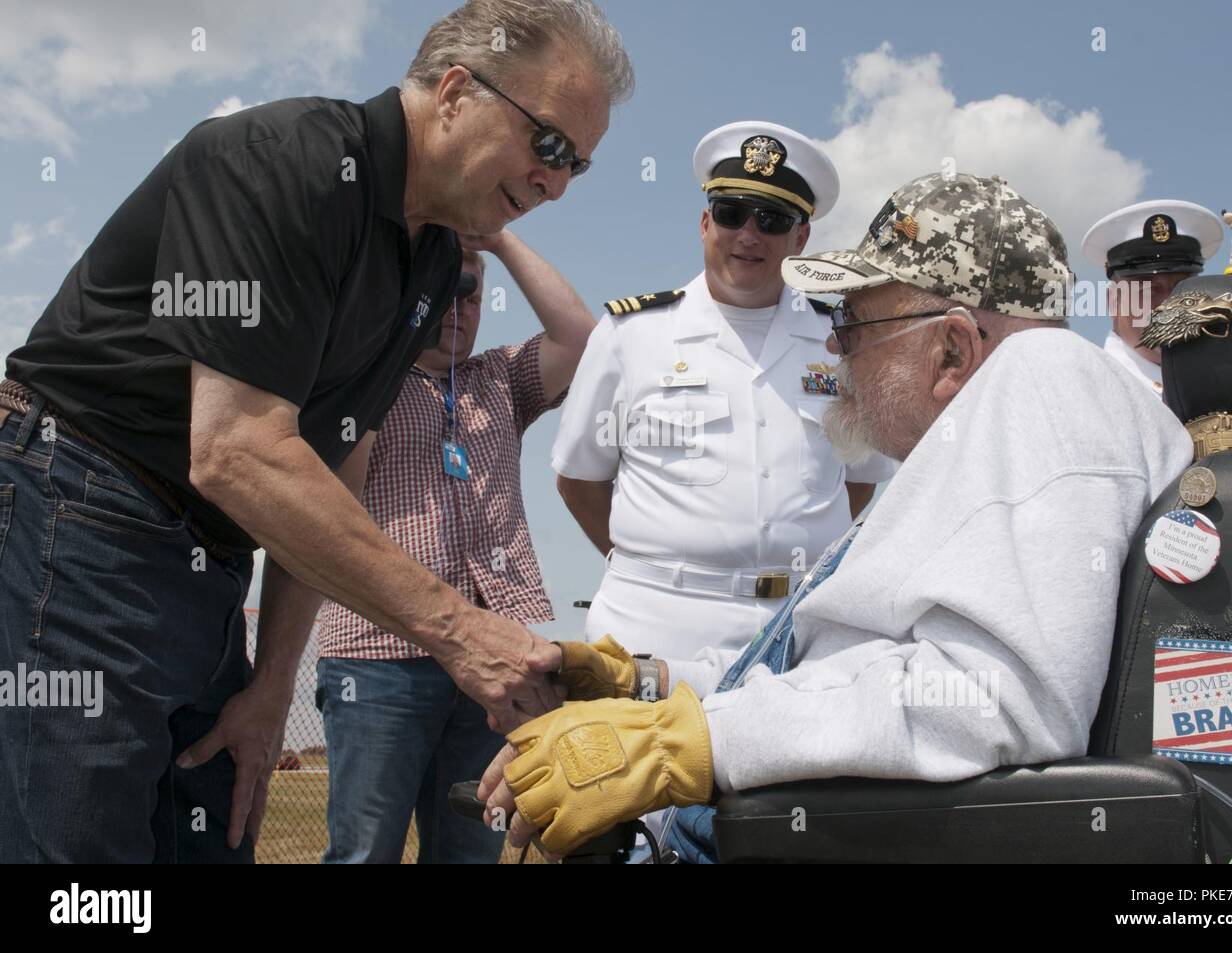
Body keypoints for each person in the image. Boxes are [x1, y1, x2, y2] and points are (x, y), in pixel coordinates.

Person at [0, 0, 631, 863]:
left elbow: (326, 469)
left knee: (207, 839)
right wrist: (463, 632)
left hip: (205, 565)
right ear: (454, 91)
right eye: (549, 144)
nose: (555, 183)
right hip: (74, 519)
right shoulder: (279, 162)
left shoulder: (436, 258)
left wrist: (269, 687)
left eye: (580, 167)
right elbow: (235, 450)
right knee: (82, 861)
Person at [481, 172, 1194, 858]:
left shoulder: (1044, 379)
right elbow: (846, 669)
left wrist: (691, 740)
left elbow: (993, 696)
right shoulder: (977, 437)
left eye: (854, 321)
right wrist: (649, 683)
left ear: (951, 348)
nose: (832, 342)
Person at [551, 121, 897, 662]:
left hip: (799, 635)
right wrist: (658, 568)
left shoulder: (843, 343)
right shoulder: (630, 334)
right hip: (654, 630)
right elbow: (578, 480)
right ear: (705, 222)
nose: (749, 235)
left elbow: (857, 480)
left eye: (774, 220)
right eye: (732, 214)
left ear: (801, 238)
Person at [315, 232, 593, 864]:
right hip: (378, 656)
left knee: (470, 851)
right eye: (436, 287)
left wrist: (493, 237)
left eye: (467, 290)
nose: (454, 306)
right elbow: (334, 508)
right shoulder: (362, 377)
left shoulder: (500, 379)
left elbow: (579, 337)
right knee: (365, 852)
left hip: (491, 664)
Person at [1081, 200, 1223, 396]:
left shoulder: (1216, 383)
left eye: (1181, 286)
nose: (1168, 303)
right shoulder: (1095, 390)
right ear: (1113, 301)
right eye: (1149, 290)